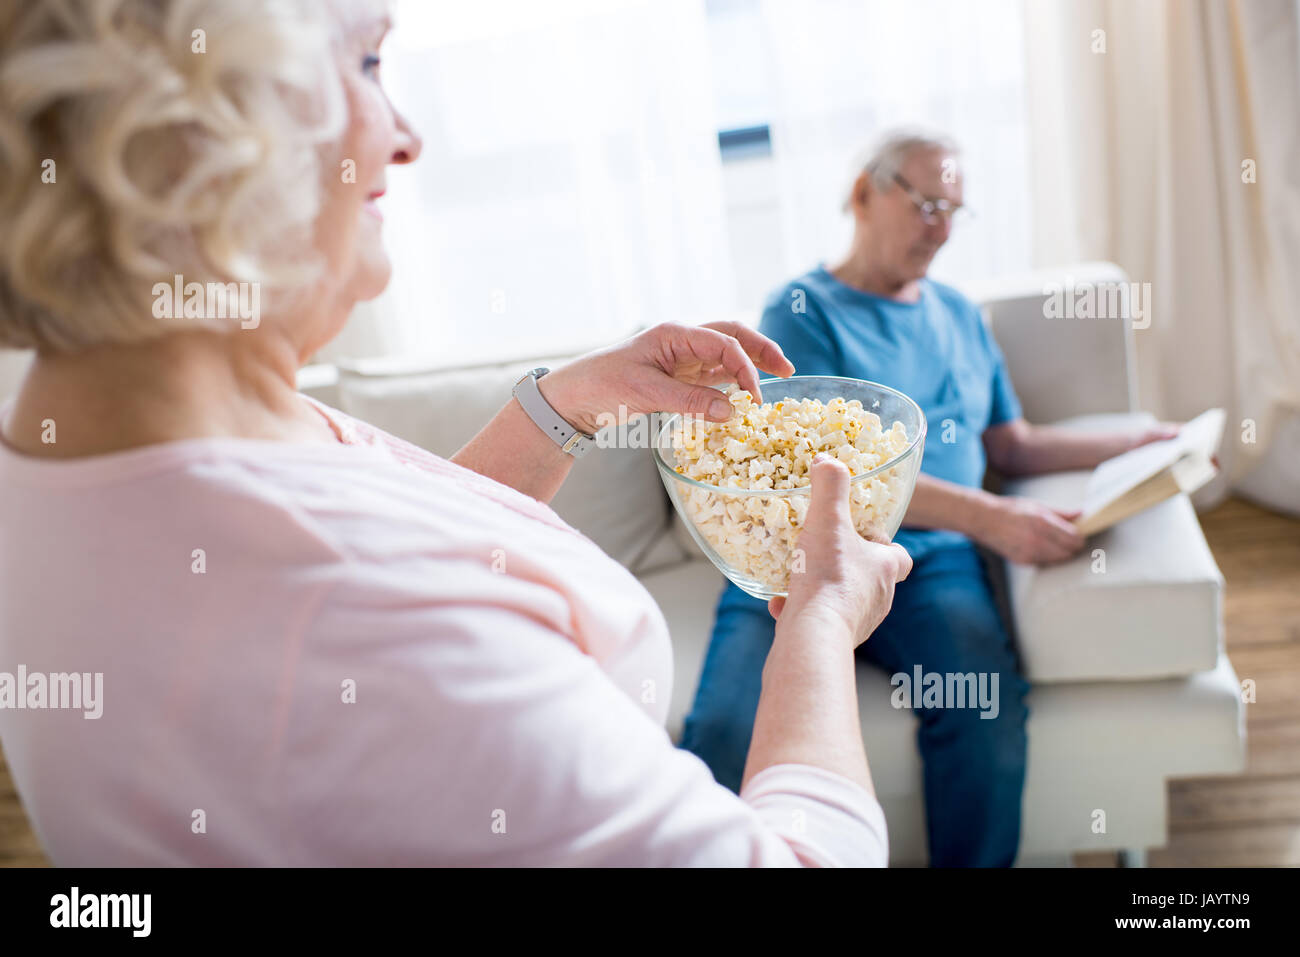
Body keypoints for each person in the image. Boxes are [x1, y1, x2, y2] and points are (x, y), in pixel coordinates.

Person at [0, 0, 911, 866]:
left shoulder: (95, 432)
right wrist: (823, 615)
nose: (407, 135)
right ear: (197, 133)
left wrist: (568, 405)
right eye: (365, 61)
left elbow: (416, 564)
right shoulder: (347, 615)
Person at [680, 130, 1181, 867]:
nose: (941, 227)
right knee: (722, 730)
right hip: (792, 561)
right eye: (925, 204)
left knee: (985, 714)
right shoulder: (800, 310)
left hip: (928, 562)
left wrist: (1140, 440)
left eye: (954, 209)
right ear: (863, 193)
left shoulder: (958, 313)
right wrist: (993, 517)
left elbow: (1011, 443)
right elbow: (828, 471)